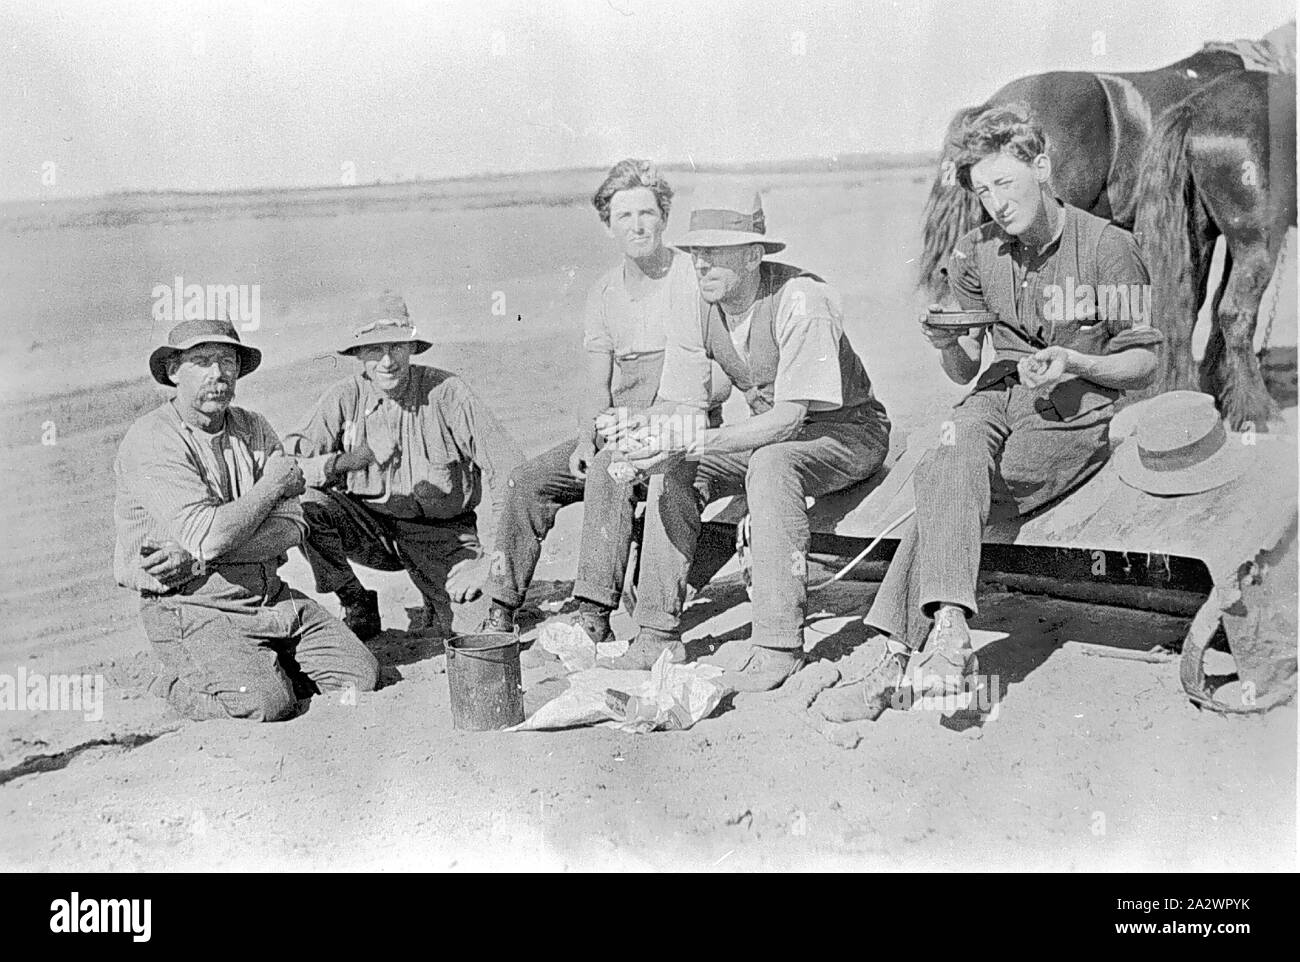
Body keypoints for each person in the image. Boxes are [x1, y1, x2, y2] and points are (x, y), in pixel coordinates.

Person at [851, 103, 1163, 710]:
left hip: (1074, 408)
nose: (995, 202)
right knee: (945, 456)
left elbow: (1145, 364)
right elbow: (966, 368)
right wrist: (946, 345)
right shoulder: (974, 251)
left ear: (1041, 168)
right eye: (982, 189)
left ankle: (890, 649)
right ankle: (948, 629)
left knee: (959, 494)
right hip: (995, 394)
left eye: (1005, 182)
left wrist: (1077, 362)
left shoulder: (1109, 248)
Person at [610, 184, 892, 692]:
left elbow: (788, 419)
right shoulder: (697, 302)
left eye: (716, 253)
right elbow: (682, 400)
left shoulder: (804, 299)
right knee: (676, 468)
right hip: (774, 437)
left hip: (849, 434)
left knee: (770, 465)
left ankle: (778, 644)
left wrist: (691, 441)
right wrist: (649, 438)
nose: (702, 265)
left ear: (755, 255)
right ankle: (656, 632)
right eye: (697, 253)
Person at [481, 159, 729, 643]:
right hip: (620, 426)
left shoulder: (689, 279)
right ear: (609, 225)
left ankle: (593, 612)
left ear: (664, 216)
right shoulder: (604, 293)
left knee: (609, 468)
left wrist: (662, 419)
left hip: (681, 429)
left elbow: (720, 377)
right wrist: (582, 437)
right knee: (527, 480)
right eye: (624, 217)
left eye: (647, 213)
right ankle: (501, 605)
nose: (637, 226)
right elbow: (597, 385)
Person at [113, 318, 378, 722]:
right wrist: (270, 488)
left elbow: (292, 526)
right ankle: (162, 680)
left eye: (227, 361)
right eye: (202, 362)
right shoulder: (153, 439)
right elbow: (208, 534)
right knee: (266, 705)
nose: (218, 374)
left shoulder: (254, 427)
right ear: (173, 372)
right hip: (191, 604)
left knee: (361, 677)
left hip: (267, 593)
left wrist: (199, 555)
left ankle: (259, 664)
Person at [284, 293, 522, 640]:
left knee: (482, 631)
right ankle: (355, 599)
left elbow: (512, 473)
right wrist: (353, 459)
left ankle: (436, 594)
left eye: (396, 347)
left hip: (442, 536)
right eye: (373, 350)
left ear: (411, 349)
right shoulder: (344, 398)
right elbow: (287, 470)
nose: (387, 361)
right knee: (304, 505)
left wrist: (490, 561)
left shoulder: (447, 393)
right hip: (370, 530)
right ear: (358, 355)